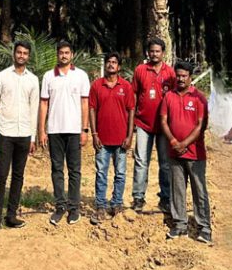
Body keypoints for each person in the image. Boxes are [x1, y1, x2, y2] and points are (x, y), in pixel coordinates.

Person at [0, 40, 40, 233]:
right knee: (1, 175)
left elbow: (34, 109)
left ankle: (11, 215)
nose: (22, 56)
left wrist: (33, 137)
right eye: (19, 52)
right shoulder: (1, 77)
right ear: (14, 54)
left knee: (18, 176)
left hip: (24, 133)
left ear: (28, 56)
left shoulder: (33, 80)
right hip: (5, 133)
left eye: (25, 53)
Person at [38, 40, 90, 226]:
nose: (64, 55)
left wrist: (84, 130)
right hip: (54, 130)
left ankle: (74, 208)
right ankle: (60, 206)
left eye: (67, 52)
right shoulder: (48, 76)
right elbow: (43, 104)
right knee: (57, 170)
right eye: (61, 53)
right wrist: (41, 130)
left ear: (72, 55)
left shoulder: (81, 76)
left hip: (74, 130)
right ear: (57, 55)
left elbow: (85, 104)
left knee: (75, 170)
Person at [160, 60, 212, 243]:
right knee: (177, 190)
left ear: (191, 78)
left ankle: (204, 228)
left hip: (195, 154)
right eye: (178, 76)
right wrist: (174, 141)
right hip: (174, 153)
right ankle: (180, 225)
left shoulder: (199, 98)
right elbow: (164, 120)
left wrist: (185, 143)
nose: (181, 79)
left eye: (184, 76)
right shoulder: (169, 97)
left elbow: (200, 126)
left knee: (199, 191)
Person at [131, 36, 176, 214]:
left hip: (164, 126)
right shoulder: (140, 70)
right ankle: (138, 198)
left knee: (165, 164)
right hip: (143, 123)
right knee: (141, 162)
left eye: (158, 51)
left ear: (163, 53)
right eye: (152, 51)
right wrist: (132, 120)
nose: (154, 54)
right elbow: (134, 95)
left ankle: (165, 198)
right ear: (148, 53)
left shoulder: (170, 73)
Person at [88, 52, 135, 223]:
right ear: (105, 65)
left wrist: (130, 136)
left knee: (120, 174)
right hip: (102, 140)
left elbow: (131, 111)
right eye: (108, 62)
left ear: (119, 66)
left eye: (114, 62)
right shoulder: (96, 86)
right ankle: (100, 206)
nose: (111, 65)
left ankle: (116, 204)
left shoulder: (126, 86)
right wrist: (94, 134)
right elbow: (92, 109)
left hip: (121, 140)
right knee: (101, 173)